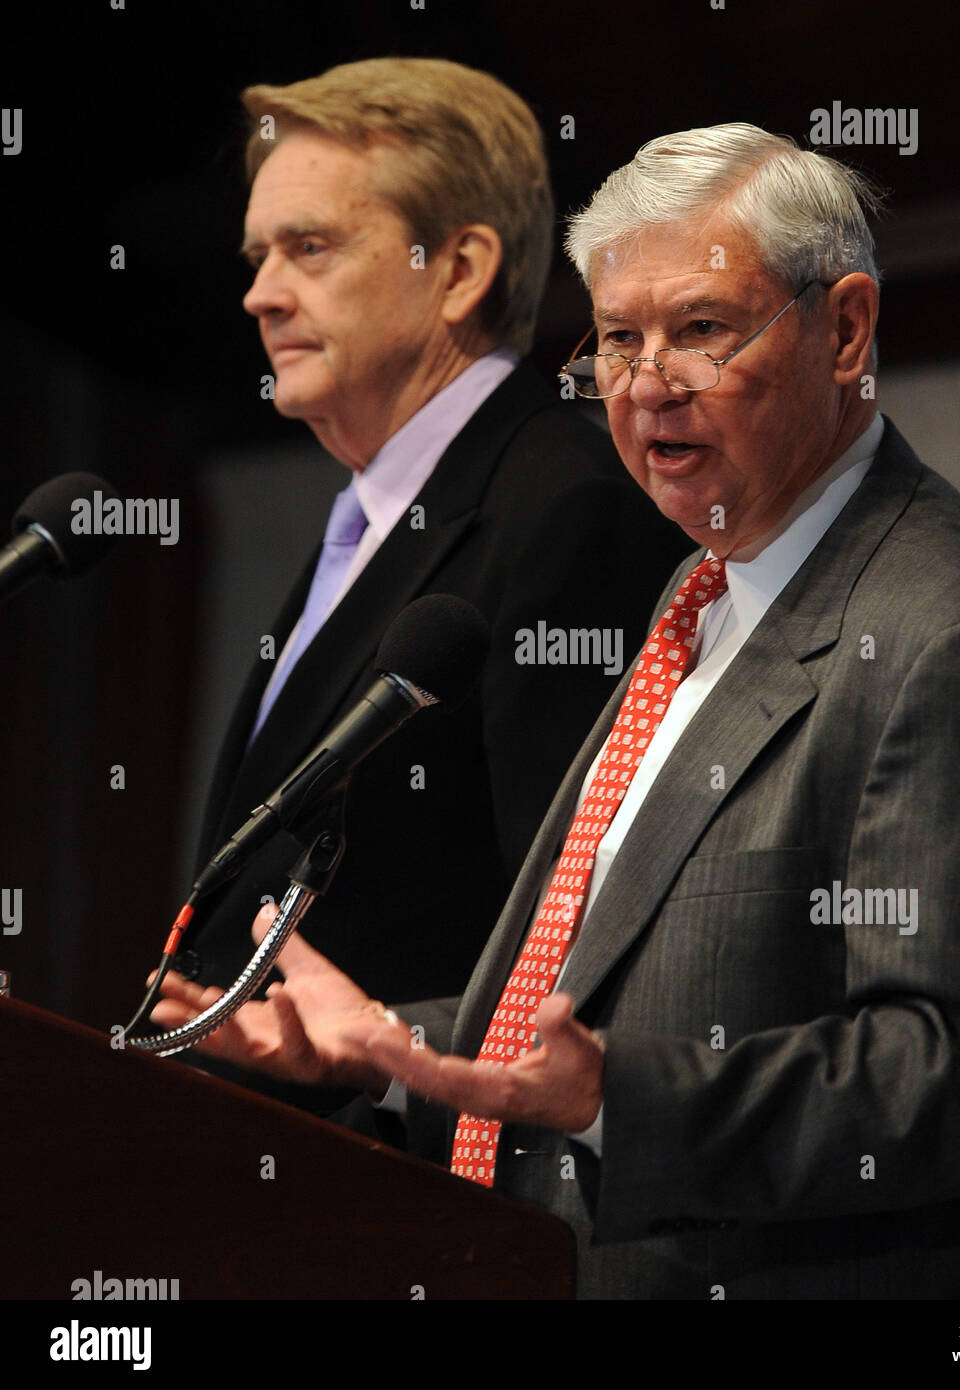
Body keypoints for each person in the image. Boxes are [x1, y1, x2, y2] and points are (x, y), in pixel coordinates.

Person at [155, 123, 960, 1299]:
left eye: (701, 330)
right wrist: (395, 1047)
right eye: (615, 340)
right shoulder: (704, 580)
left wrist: (622, 1100)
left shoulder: (939, 631)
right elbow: (604, 987)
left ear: (845, 329)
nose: (646, 388)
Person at [173, 58, 688, 1115]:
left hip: (413, 1210)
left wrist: (389, 1058)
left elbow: (581, 954)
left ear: (458, 268)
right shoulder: (362, 521)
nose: (260, 292)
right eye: (259, 254)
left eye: (309, 247)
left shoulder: (567, 511)